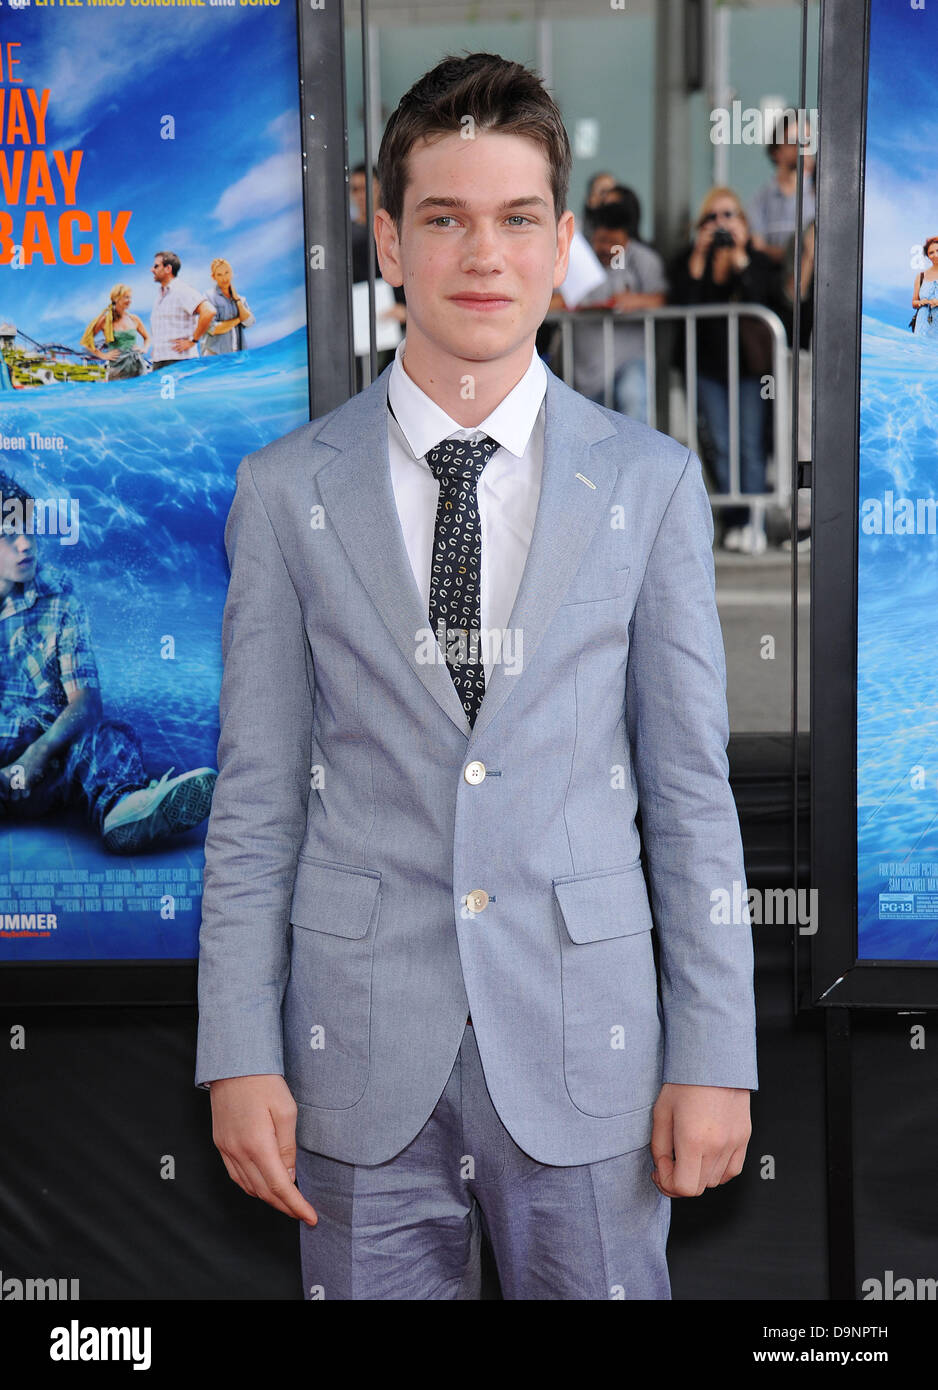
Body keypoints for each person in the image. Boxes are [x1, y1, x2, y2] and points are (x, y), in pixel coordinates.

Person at [196, 52, 756, 1302]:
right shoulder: (285, 495)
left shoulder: (651, 484)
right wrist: (236, 1046)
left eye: (515, 221)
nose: (481, 255)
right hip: (356, 1064)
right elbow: (254, 801)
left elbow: (687, 793)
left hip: (585, 1050)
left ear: (561, 245)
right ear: (386, 241)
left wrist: (717, 1049)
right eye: (442, 219)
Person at [0, 471, 217, 852]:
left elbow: (85, 702)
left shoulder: (60, 599)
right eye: (7, 534)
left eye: (28, 529)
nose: (25, 544)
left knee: (107, 737)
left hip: (46, 763)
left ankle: (125, 808)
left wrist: (35, 756)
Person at [668, 187, 779, 554]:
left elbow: (766, 300)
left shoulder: (757, 260)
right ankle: (735, 521)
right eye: (712, 217)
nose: (721, 224)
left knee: (750, 443)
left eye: (729, 215)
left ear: (744, 222)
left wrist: (743, 259)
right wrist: (699, 256)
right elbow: (683, 304)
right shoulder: (689, 259)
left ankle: (754, 521)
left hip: (752, 369)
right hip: (707, 366)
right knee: (720, 442)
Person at [571, 199, 668, 423]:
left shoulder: (643, 259)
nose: (605, 248)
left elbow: (662, 298)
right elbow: (554, 298)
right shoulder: (579, 260)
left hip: (629, 363)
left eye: (613, 242)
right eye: (601, 240)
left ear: (628, 239)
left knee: (632, 405)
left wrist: (636, 300)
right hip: (587, 372)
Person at [746, 110, 816, 266]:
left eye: (807, 141)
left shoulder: (819, 197)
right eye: (794, 142)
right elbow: (758, 250)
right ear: (776, 150)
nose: (802, 148)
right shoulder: (760, 200)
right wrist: (802, 254)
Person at [149, 251, 215, 369]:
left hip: (179, 361)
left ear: (168, 268)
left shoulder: (181, 290)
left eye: (156, 266)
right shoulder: (160, 296)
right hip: (161, 361)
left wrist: (193, 341)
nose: (152, 270)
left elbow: (208, 311)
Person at [80, 285, 151, 380]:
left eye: (130, 297)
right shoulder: (106, 320)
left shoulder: (134, 319)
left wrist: (144, 348)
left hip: (137, 365)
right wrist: (103, 355)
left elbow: (147, 338)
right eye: (126, 297)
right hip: (117, 368)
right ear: (116, 298)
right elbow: (87, 342)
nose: (130, 300)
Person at [202, 258, 255, 357]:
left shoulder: (241, 299)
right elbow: (212, 329)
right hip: (215, 356)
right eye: (219, 274)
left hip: (239, 356)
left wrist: (237, 300)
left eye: (227, 272)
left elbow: (249, 322)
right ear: (213, 277)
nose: (224, 278)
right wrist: (238, 319)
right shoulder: (208, 297)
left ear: (232, 273)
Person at [911, 237, 938, 340]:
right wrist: (921, 302)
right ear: (927, 256)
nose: (935, 255)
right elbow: (914, 302)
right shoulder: (921, 276)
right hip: (922, 325)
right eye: (931, 252)